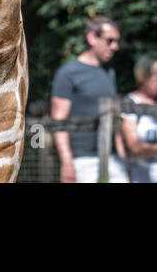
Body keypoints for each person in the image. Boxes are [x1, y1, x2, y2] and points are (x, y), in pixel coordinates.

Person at [51, 15, 129, 182]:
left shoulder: (109, 72)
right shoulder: (68, 73)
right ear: (92, 38)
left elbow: (114, 121)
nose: (115, 46)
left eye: (117, 41)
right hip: (82, 159)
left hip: (112, 157)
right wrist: (67, 163)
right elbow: (58, 122)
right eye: (110, 41)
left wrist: (123, 159)